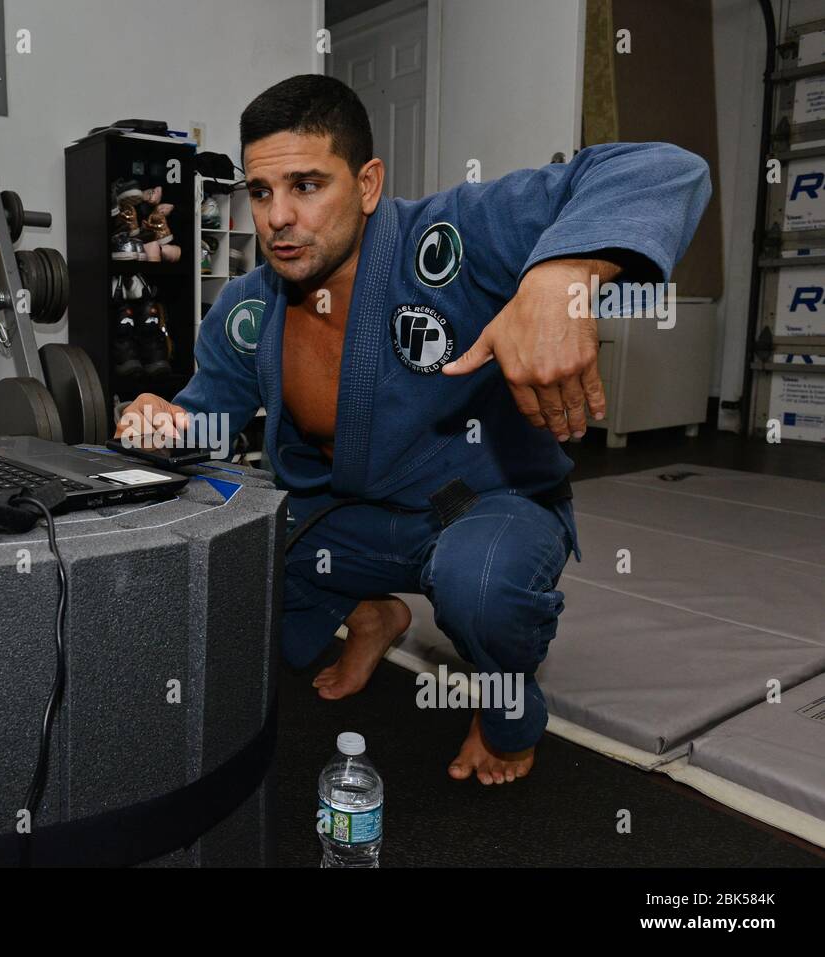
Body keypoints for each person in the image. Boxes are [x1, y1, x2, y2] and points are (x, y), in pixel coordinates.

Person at [116, 74, 710, 785]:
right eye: (262, 191)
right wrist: (166, 420)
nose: (277, 216)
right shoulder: (249, 306)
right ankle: (373, 613)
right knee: (226, 559)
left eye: (307, 185)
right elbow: (211, 416)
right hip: (345, 515)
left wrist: (564, 272)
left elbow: (665, 168)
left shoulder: (452, 235)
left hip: (473, 505)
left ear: (368, 185)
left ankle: (507, 710)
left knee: (480, 587)